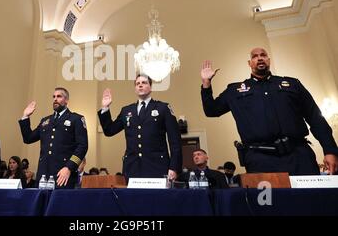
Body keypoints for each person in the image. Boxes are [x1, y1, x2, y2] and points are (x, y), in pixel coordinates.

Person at [201, 47, 338, 175]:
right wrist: (206, 84)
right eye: (255, 56)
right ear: (250, 63)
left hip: (299, 155)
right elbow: (212, 110)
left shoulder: (292, 84)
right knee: (268, 200)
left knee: (312, 199)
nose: (260, 58)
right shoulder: (235, 91)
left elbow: (315, 117)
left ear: (269, 60)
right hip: (261, 160)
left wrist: (330, 150)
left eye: (263, 55)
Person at [98, 74, 182, 180]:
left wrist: (174, 167)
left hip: (157, 167)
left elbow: (175, 141)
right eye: (138, 83)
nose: (140, 85)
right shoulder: (126, 110)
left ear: (150, 87)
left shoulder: (163, 108)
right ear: (135, 89)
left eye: (144, 83)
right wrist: (105, 108)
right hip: (132, 168)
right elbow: (109, 131)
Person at [18, 87, 88, 189]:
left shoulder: (76, 119)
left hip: (63, 174)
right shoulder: (46, 121)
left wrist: (69, 167)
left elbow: (83, 146)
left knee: (60, 204)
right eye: (54, 97)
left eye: (59, 96)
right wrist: (25, 116)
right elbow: (28, 138)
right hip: (43, 174)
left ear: (66, 100)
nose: (55, 99)